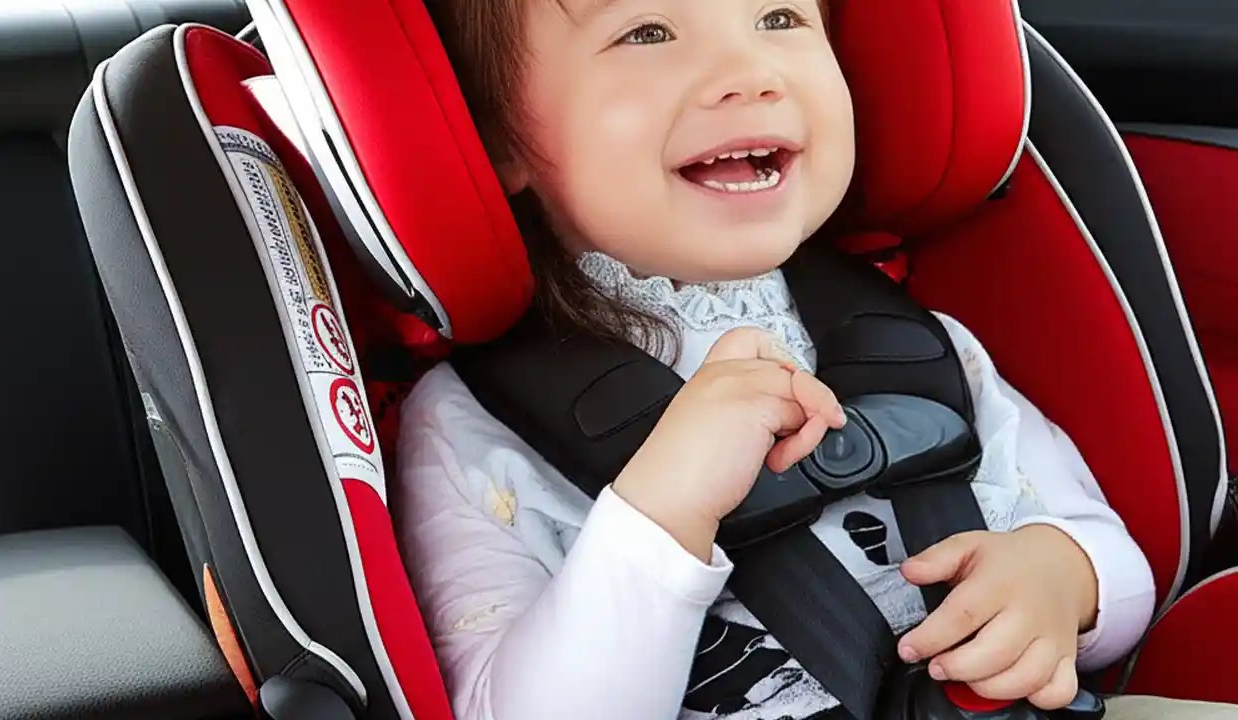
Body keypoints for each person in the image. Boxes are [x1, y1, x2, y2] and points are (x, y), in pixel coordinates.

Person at [394, 0, 1238, 717]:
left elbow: (1119, 559)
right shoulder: (473, 423)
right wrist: (661, 514)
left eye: (779, 16)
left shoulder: (915, 347)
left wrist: (1062, 579)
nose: (751, 71)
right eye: (647, 31)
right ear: (498, 134)